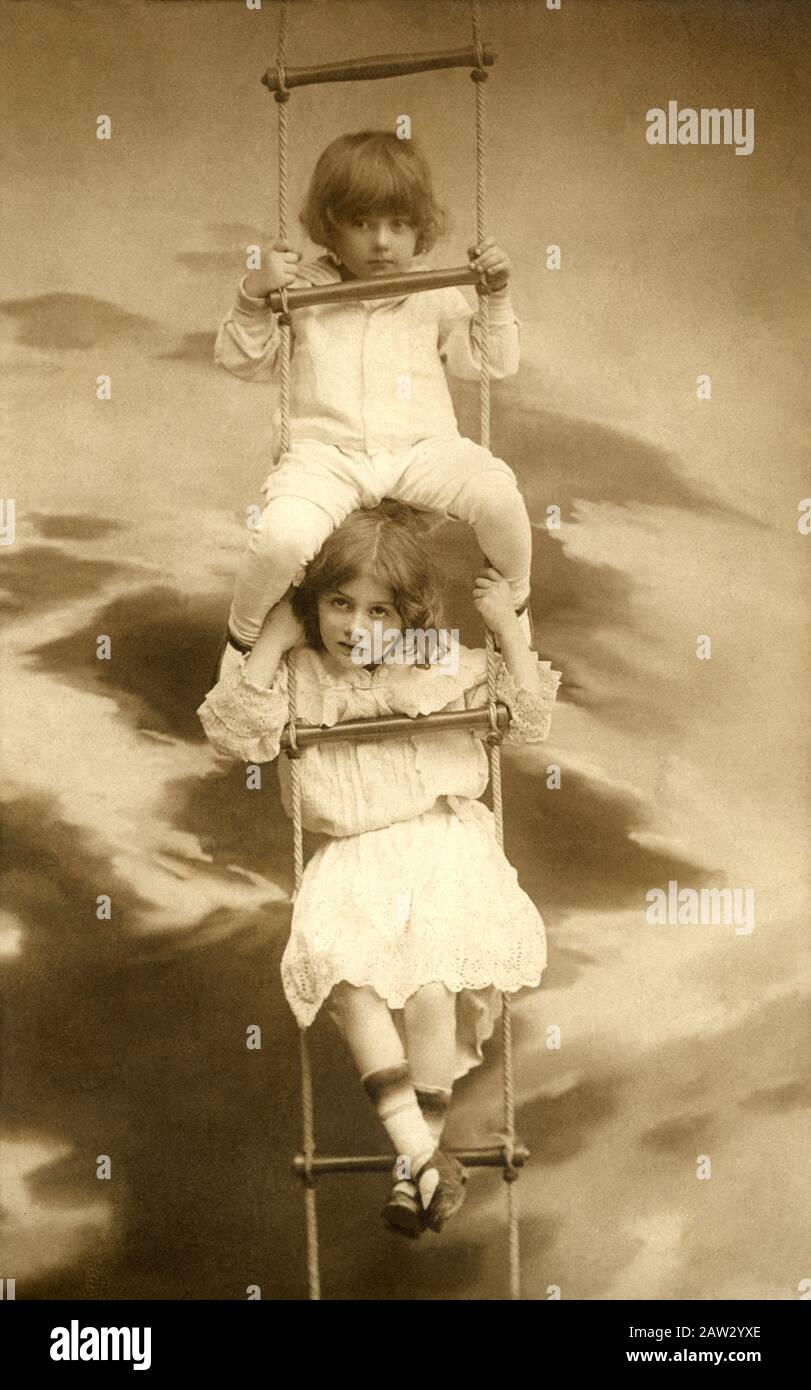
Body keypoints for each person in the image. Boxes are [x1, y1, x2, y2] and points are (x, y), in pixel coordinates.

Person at [197, 502, 560, 1237]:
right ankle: (422, 1159)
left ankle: (415, 1164)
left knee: (429, 983)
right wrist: (273, 637)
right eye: (338, 602)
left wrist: (507, 630)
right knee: (346, 980)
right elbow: (235, 735)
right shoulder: (298, 675)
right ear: (314, 604)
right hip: (353, 854)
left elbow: (524, 718)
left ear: (409, 617)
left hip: (436, 842)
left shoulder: (431, 660)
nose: (355, 625)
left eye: (378, 610)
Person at [213, 128, 534, 681]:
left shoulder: (435, 291)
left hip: (420, 450)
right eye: (362, 224)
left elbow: (487, 362)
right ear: (331, 228)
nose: (382, 242)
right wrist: (254, 295)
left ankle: (518, 611)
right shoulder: (304, 292)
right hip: (327, 456)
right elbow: (242, 360)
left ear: (419, 229)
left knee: (500, 498)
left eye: (397, 225)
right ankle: (244, 639)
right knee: (281, 539)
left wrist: (496, 296)